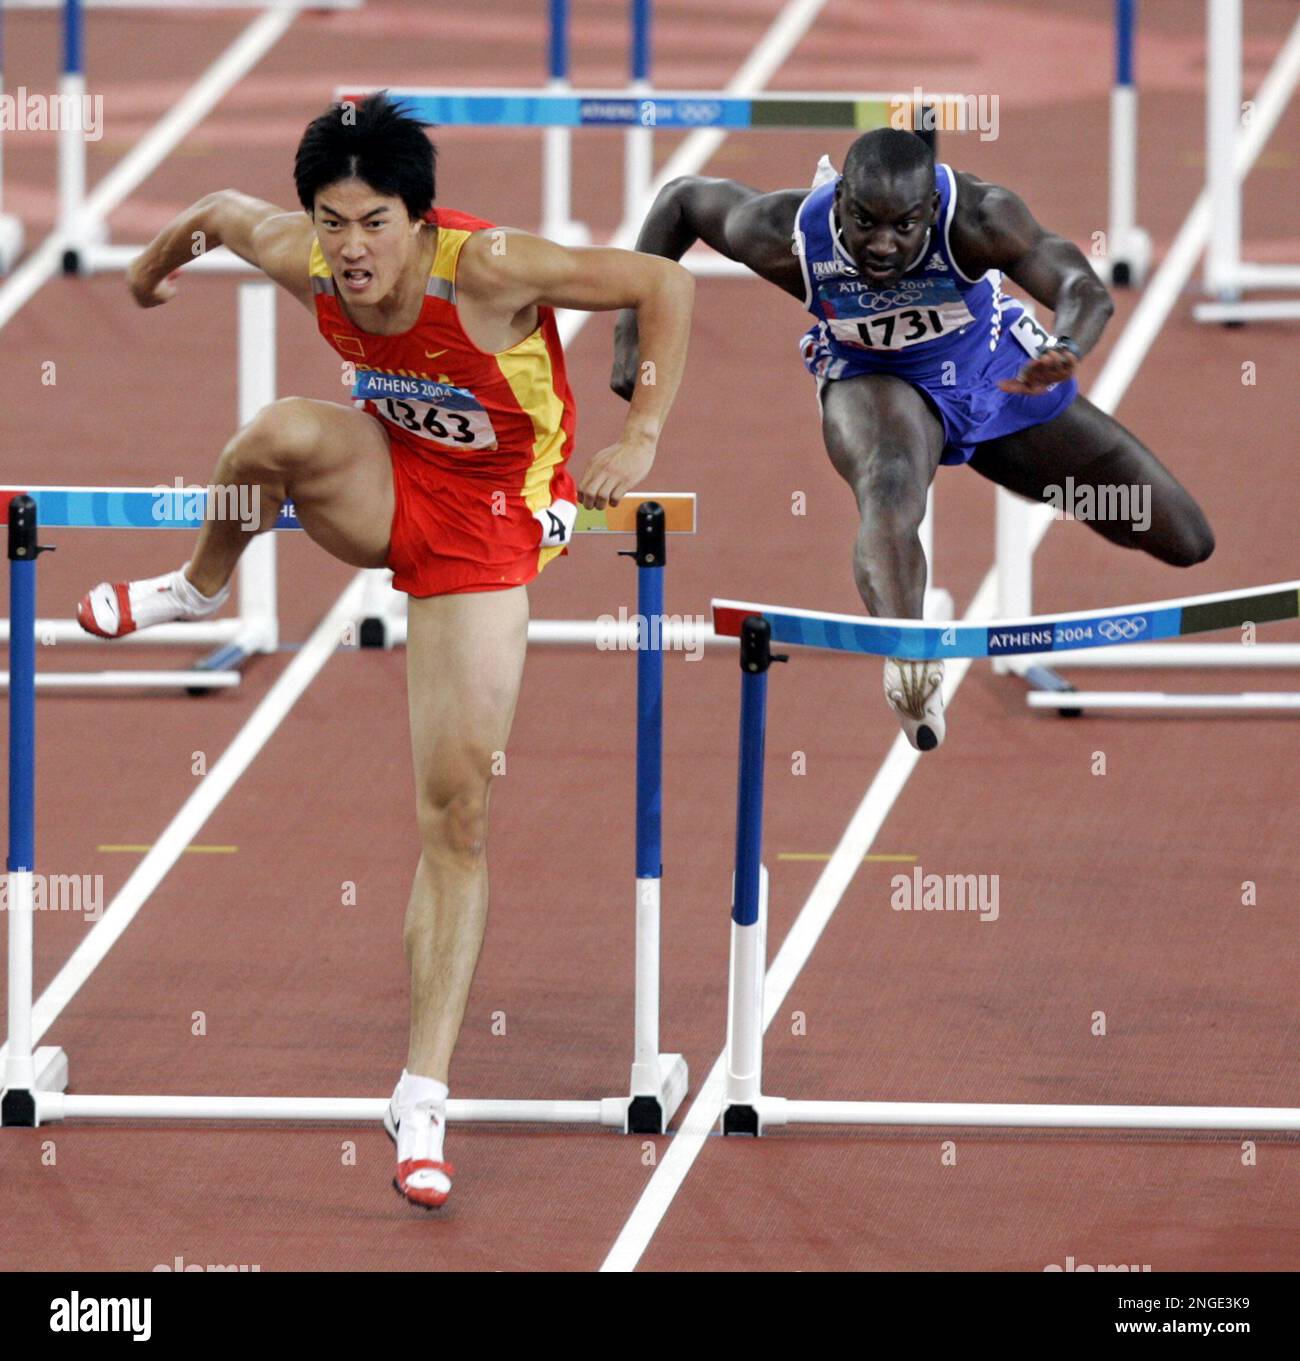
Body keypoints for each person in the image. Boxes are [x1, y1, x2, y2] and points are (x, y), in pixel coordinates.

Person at [77, 92, 694, 1208]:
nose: (349, 249)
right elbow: (217, 207)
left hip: (495, 514)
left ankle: (420, 1093)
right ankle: (198, 581)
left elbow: (667, 281)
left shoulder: (491, 269)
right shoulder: (308, 257)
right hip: (383, 479)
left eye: (372, 224)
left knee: (455, 811)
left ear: (418, 218)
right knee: (271, 429)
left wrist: (640, 431)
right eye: (330, 221)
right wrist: (143, 272)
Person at [613, 128, 1214, 750]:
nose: (881, 244)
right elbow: (680, 202)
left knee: (1178, 536)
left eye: (903, 226)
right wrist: (629, 331)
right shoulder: (786, 233)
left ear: (930, 212)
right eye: (864, 220)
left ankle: (1023, 474)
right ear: (839, 197)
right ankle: (908, 657)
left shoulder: (980, 217)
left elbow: (1081, 288)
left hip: (995, 375)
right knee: (889, 483)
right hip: (877, 382)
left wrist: (1068, 346)